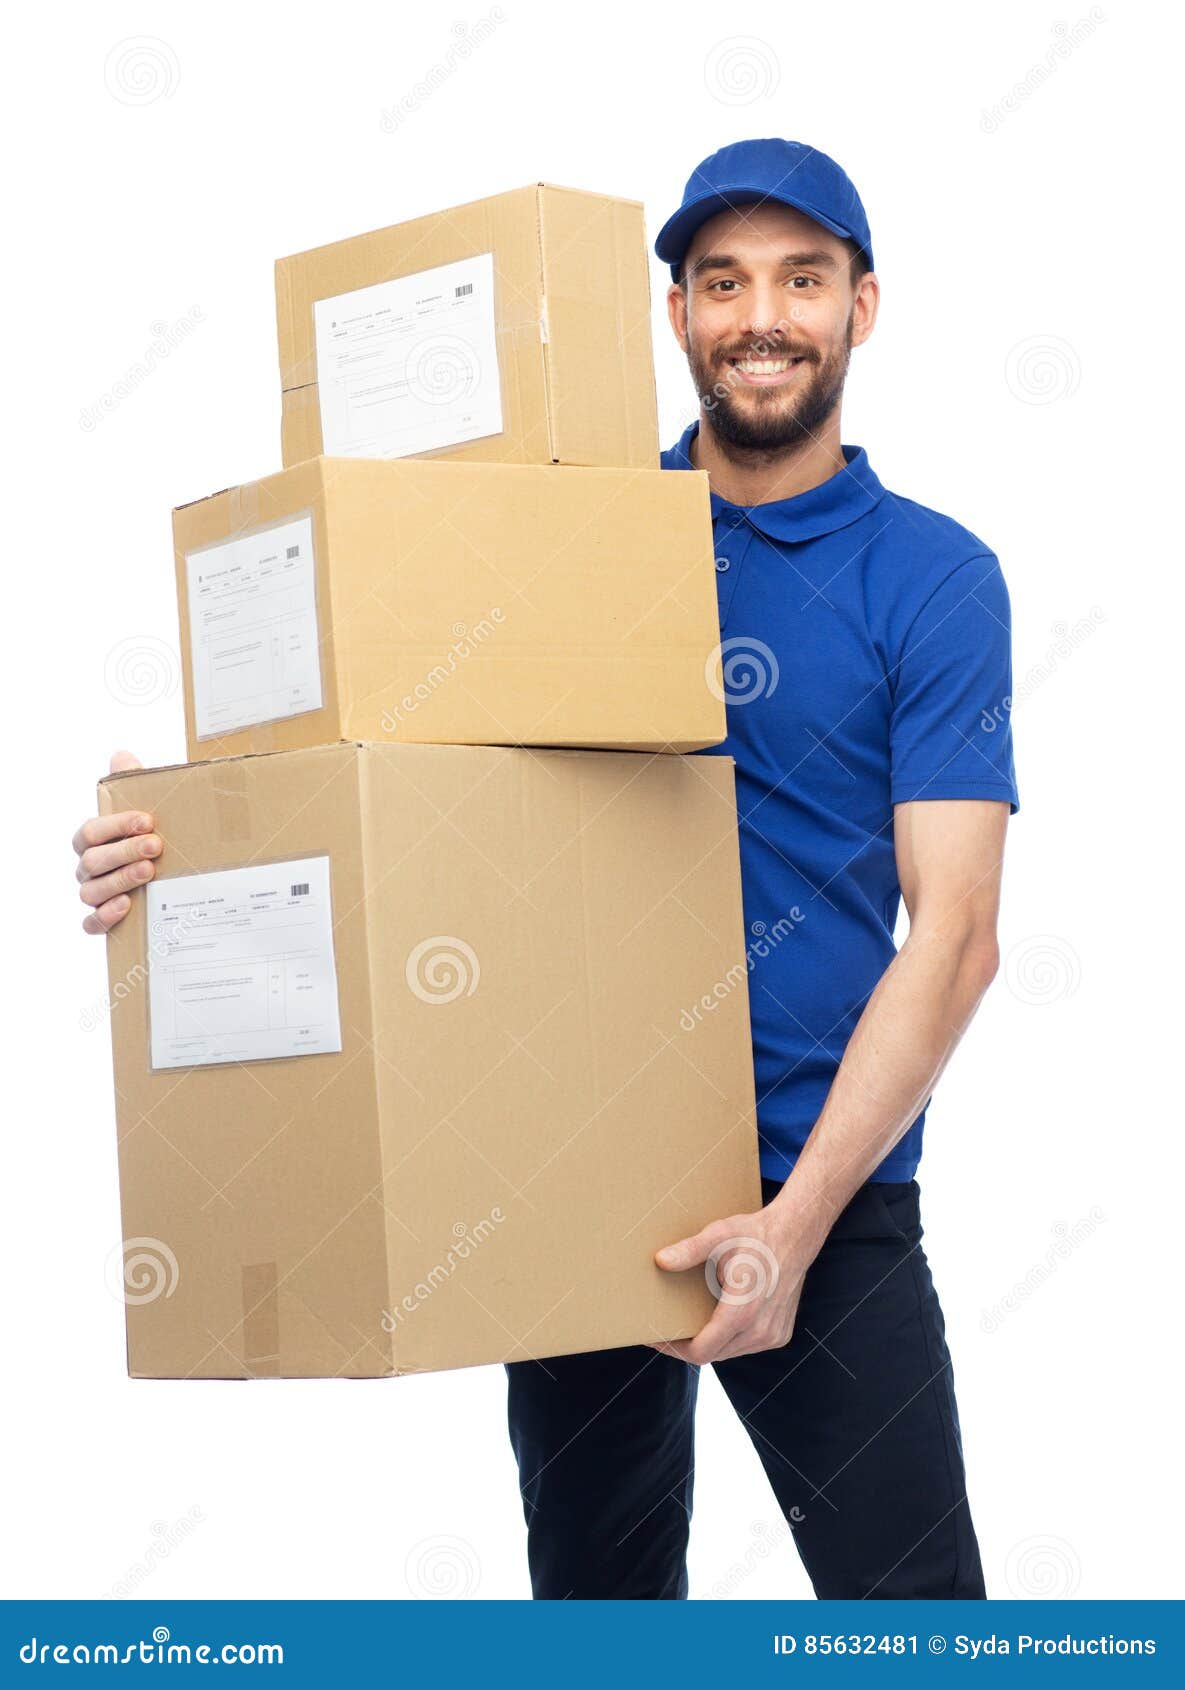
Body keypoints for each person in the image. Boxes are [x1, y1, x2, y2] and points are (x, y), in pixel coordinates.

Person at [71, 138, 1017, 1601]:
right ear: (674, 317)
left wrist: (792, 1224)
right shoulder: (549, 544)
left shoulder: (933, 574)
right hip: (578, 1163)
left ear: (860, 308)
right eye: (721, 281)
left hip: (821, 1185)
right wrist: (181, 843)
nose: (760, 314)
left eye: (800, 279)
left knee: (919, 1623)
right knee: (596, 1613)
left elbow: (952, 936)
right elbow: (379, 778)